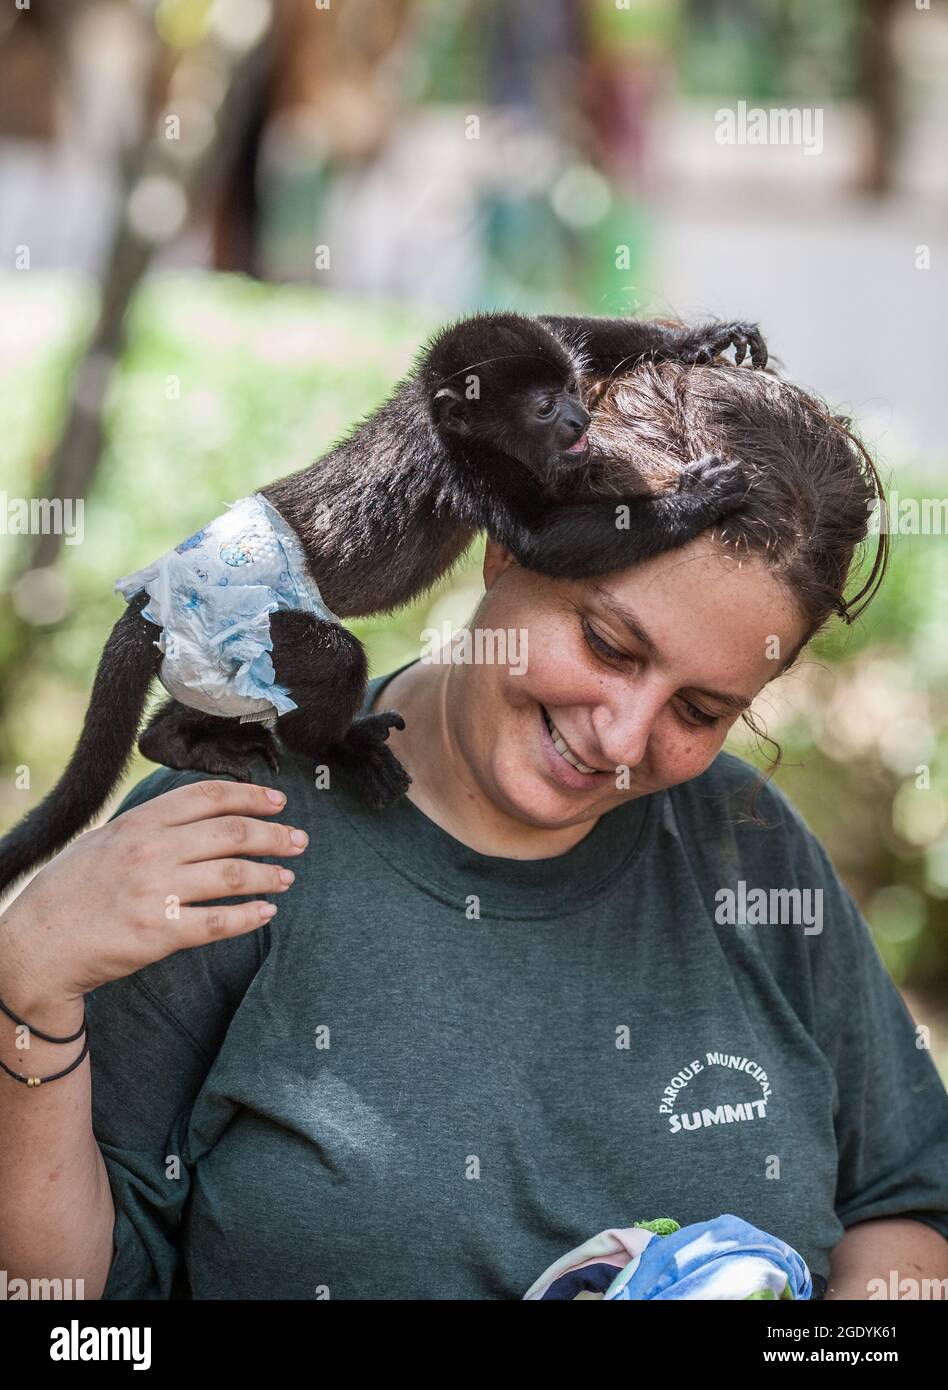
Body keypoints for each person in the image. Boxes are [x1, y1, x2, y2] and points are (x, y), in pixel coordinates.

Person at [1, 360, 946, 1302]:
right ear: (505, 547)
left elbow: (910, 1201)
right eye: (609, 645)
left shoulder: (748, 843)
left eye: (698, 711)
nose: (621, 735)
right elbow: (71, 1303)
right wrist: (26, 987)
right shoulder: (228, 831)